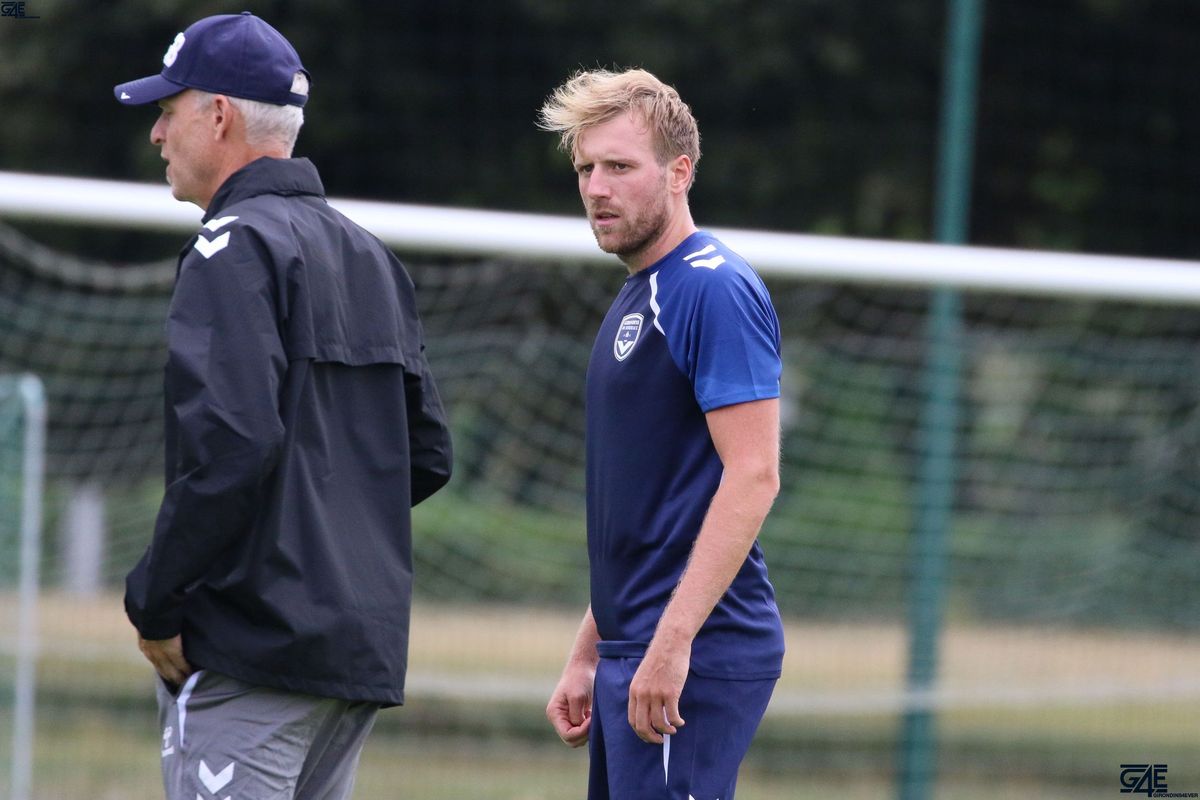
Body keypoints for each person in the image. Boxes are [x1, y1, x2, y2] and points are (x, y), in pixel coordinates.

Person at [114, 12, 452, 799]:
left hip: (252, 656)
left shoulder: (229, 246)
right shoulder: (373, 256)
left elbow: (231, 448)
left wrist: (153, 602)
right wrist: (322, 549)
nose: (159, 133)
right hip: (352, 658)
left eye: (169, 110)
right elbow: (427, 453)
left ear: (220, 115)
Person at [537, 68, 785, 799]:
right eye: (585, 168)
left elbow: (755, 474)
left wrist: (671, 644)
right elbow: (645, 514)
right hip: (630, 647)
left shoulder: (712, 286)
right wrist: (591, 650)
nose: (595, 187)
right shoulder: (638, 294)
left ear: (679, 172)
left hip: (691, 648)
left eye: (619, 166)